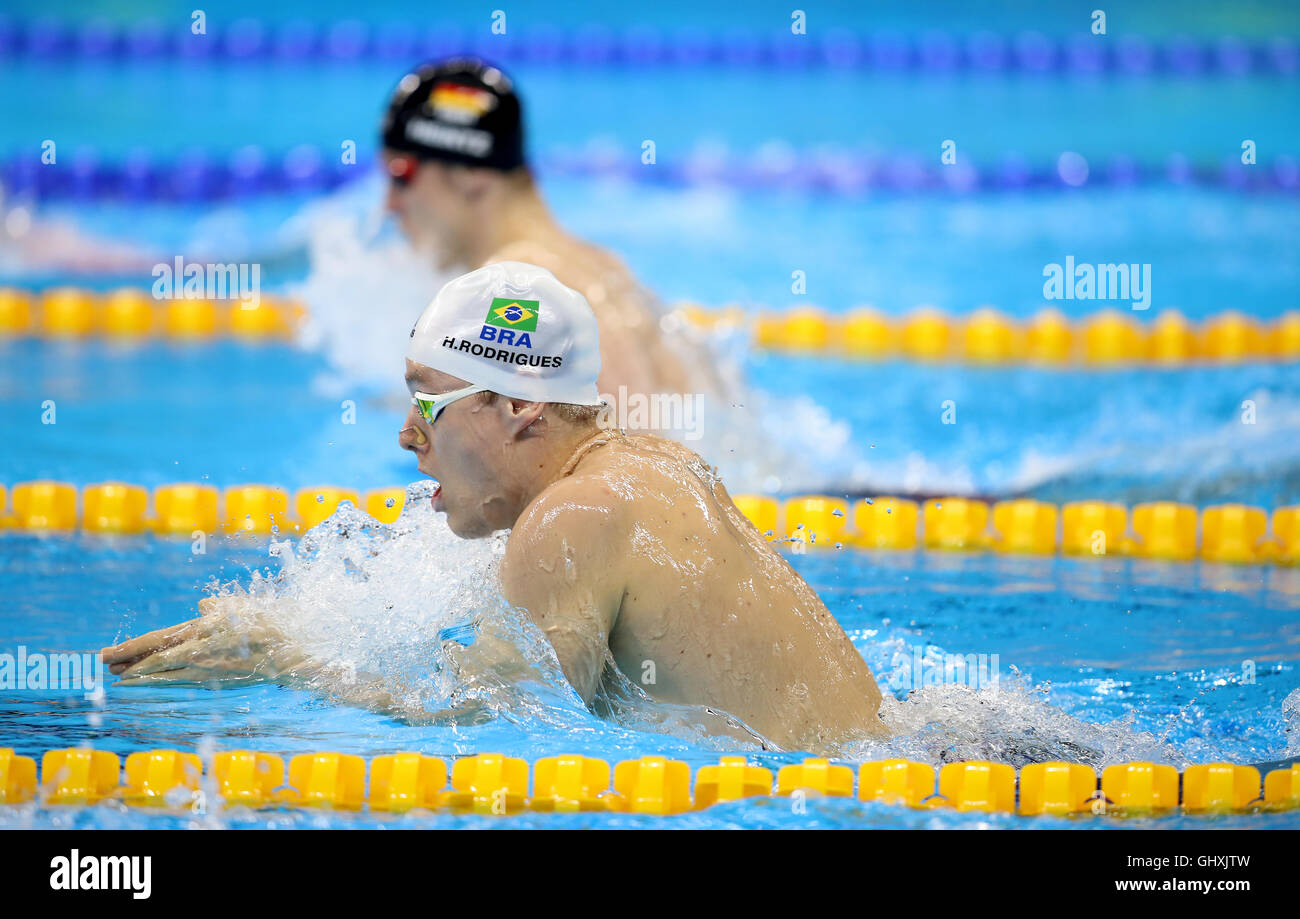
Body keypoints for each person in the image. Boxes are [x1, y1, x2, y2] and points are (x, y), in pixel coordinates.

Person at [102, 262, 886, 752]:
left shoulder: (569, 520)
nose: (408, 434)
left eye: (429, 402)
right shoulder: (654, 465)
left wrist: (283, 661)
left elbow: (493, 727)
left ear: (517, 404)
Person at [379, 57, 703, 400]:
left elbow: (628, 439)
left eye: (401, 175)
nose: (390, 205)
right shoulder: (601, 267)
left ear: (469, 172)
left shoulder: (518, 286)